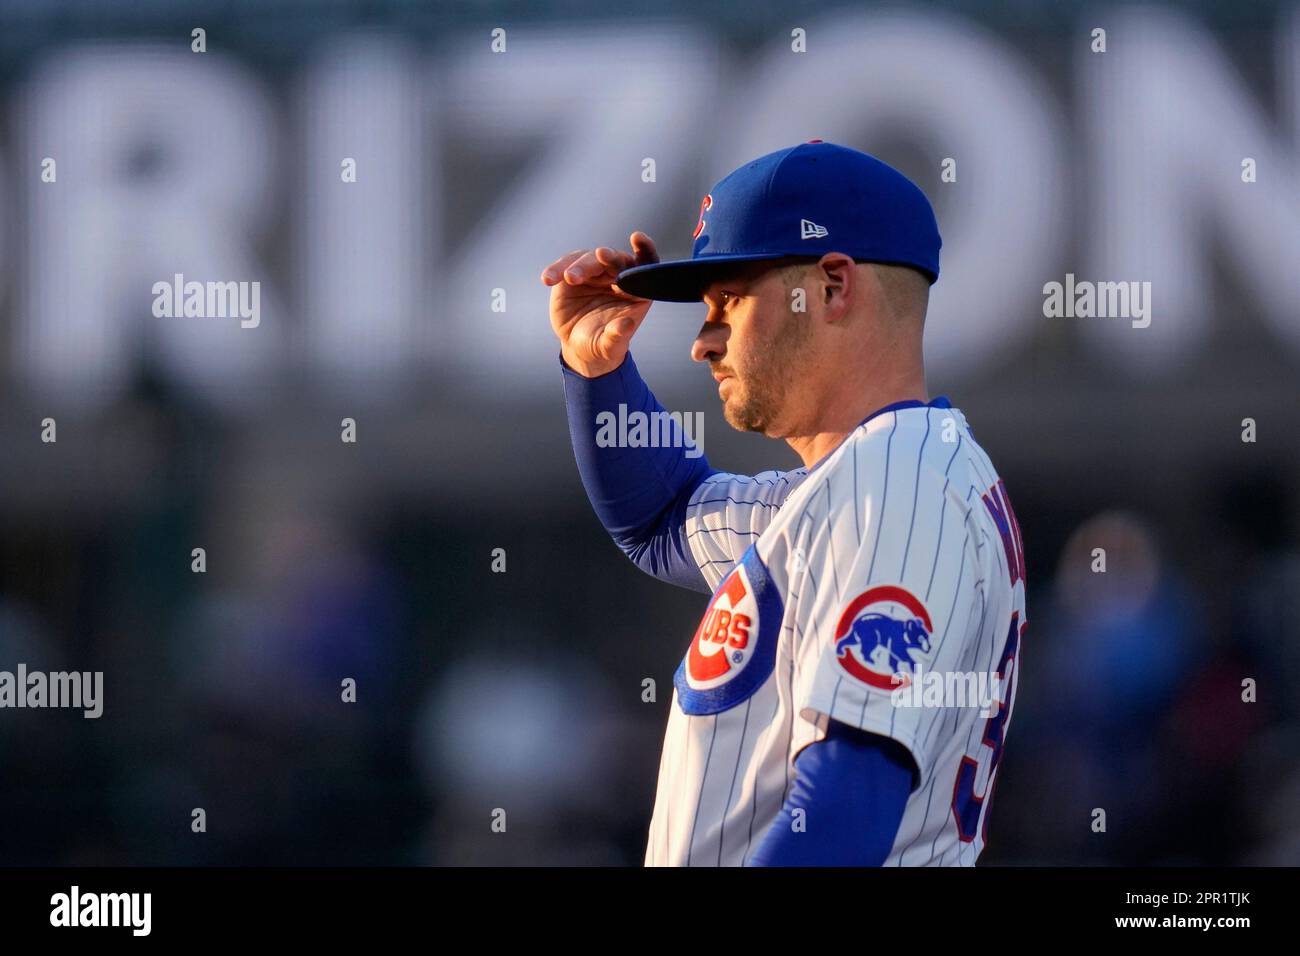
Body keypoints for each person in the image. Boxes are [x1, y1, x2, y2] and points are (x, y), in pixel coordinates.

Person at [542, 141, 1026, 866]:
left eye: (728, 302)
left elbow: (844, 803)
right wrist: (598, 371)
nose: (703, 342)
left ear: (833, 286)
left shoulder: (896, 484)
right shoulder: (851, 489)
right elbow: (661, 518)